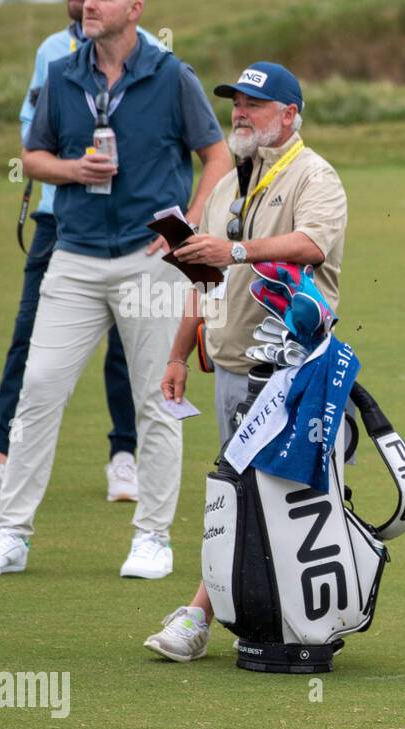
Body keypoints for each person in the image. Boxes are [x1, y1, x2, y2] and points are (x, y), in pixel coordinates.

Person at [0, 0, 229, 579]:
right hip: (75, 256)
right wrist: (71, 171)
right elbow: (32, 157)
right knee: (37, 390)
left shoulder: (171, 75)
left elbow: (215, 156)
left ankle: (153, 539)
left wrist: (190, 219)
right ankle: (11, 535)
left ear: (134, 8)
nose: (88, 4)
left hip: (149, 259)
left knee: (156, 399)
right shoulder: (62, 73)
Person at [141, 62, 348, 661]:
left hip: (293, 369)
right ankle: (283, 615)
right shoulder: (230, 183)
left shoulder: (315, 175)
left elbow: (312, 244)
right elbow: (204, 280)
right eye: (235, 102)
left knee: (248, 489)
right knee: (250, 492)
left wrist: (233, 248)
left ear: (289, 114)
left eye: (255, 104)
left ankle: (198, 616)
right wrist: (179, 352)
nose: (240, 112)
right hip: (231, 366)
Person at [0, 0, 158, 505]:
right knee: (28, 334)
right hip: (61, 218)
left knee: (127, 343)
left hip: (129, 225)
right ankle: (2, 456)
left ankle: (125, 456)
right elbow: (33, 129)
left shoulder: (155, 55)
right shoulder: (53, 52)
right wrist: (71, 164)